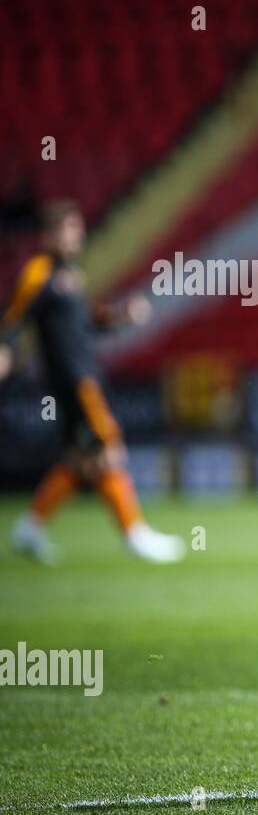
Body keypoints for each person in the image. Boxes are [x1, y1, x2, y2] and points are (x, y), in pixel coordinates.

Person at [1, 200, 185, 564]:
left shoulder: (71, 276)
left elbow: (83, 324)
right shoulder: (39, 273)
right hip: (75, 381)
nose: (78, 237)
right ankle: (135, 534)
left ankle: (30, 528)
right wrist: (4, 351)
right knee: (108, 448)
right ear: (49, 235)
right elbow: (14, 318)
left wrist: (120, 316)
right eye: (71, 230)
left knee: (81, 459)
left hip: (81, 376)